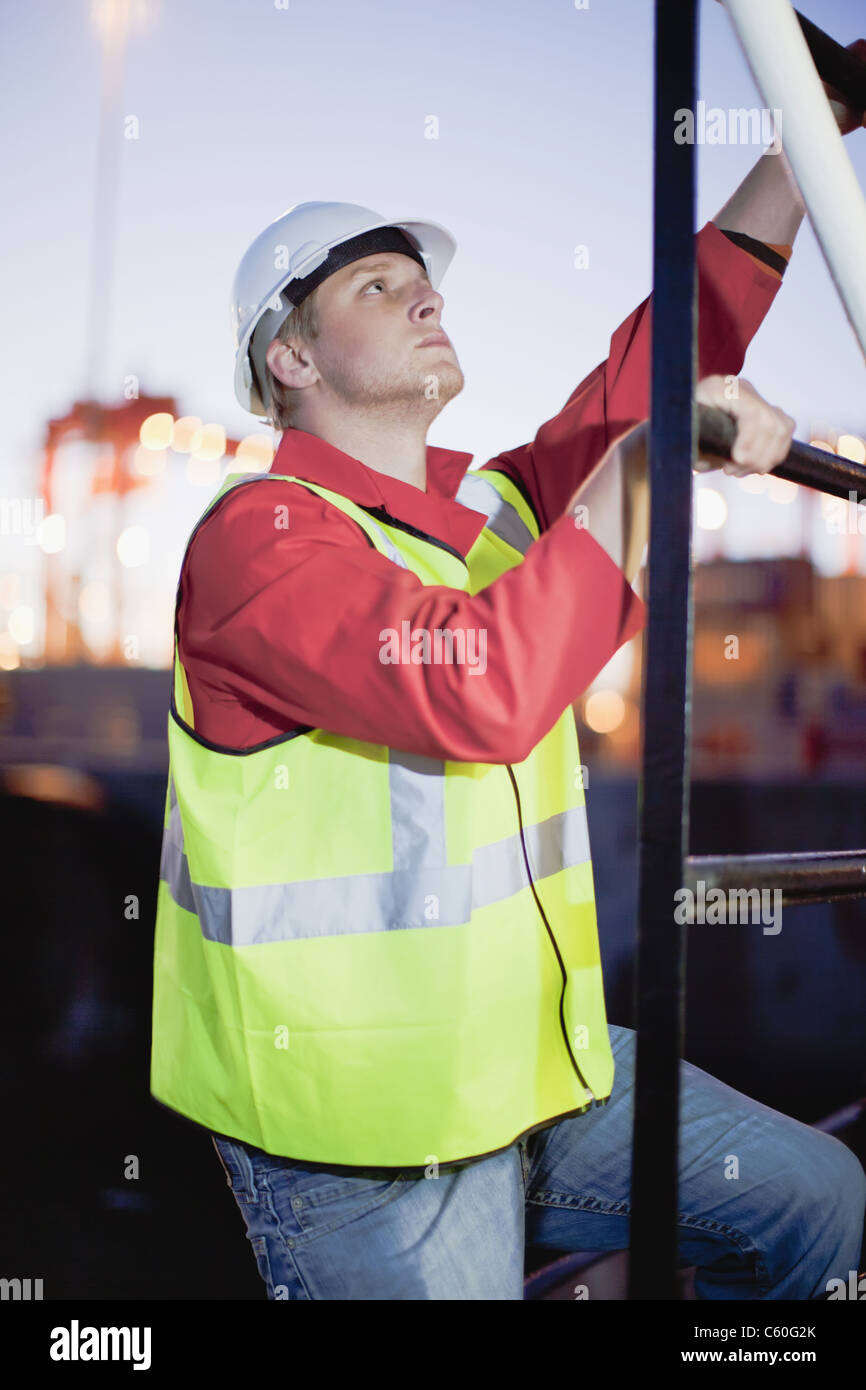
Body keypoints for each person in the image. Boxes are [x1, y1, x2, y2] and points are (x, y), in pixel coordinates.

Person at [150, 58, 866, 1299]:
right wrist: (647, 470)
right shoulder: (258, 542)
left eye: (424, 283)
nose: (424, 299)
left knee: (817, 1201)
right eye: (377, 288)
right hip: (364, 1134)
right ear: (292, 364)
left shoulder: (477, 519)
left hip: (530, 1066)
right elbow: (475, 685)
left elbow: (649, 376)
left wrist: (807, 136)